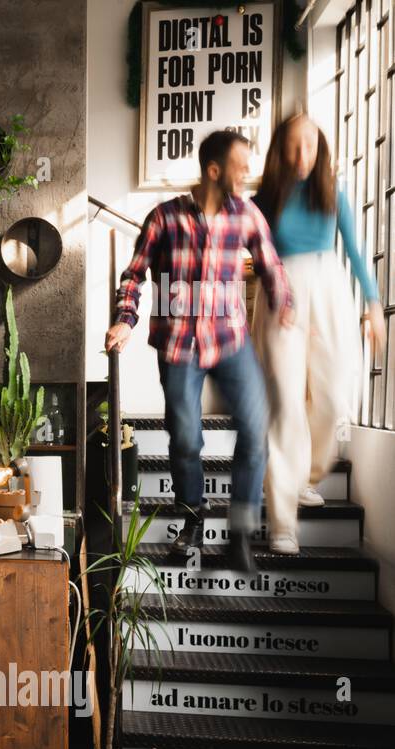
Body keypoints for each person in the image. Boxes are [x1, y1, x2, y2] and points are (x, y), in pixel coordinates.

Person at [107, 129, 293, 573]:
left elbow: (271, 264)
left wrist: (284, 302)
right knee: (186, 438)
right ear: (214, 170)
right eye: (240, 165)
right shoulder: (164, 219)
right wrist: (124, 319)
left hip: (231, 342)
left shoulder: (246, 216)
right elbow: (133, 275)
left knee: (254, 428)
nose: (248, 173)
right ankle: (192, 519)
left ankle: (241, 533)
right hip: (178, 346)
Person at [251, 113, 388, 554]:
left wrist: (372, 305)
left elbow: (356, 250)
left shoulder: (333, 194)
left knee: (331, 400)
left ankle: (307, 473)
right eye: (293, 145)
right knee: (286, 404)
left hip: (329, 291)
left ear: (321, 147)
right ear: (280, 150)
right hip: (280, 297)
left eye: (310, 144)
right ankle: (282, 520)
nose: (301, 155)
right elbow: (249, 256)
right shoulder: (266, 199)